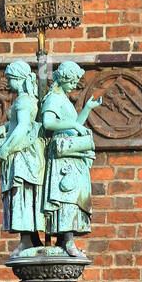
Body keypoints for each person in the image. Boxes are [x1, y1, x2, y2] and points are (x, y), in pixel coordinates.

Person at [40, 61, 100, 257]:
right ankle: (67, 241)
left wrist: (87, 109)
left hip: (72, 153)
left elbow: (74, 126)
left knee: (73, 197)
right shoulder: (53, 99)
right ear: (64, 78)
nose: (75, 85)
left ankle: (64, 241)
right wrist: (76, 125)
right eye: (73, 81)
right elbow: (48, 122)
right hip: (63, 155)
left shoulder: (64, 99)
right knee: (66, 196)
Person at [0, 60, 45, 256]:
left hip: (22, 155)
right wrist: (3, 127)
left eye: (9, 79)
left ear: (18, 78)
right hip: (24, 152)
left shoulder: (23, 101)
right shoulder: (27, 100)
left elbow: (22, 128)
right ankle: (32, 237)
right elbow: (18, 123)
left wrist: (5, 149)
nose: (7, 83)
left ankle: (27, 239)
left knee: (22, 193)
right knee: (24, 194)